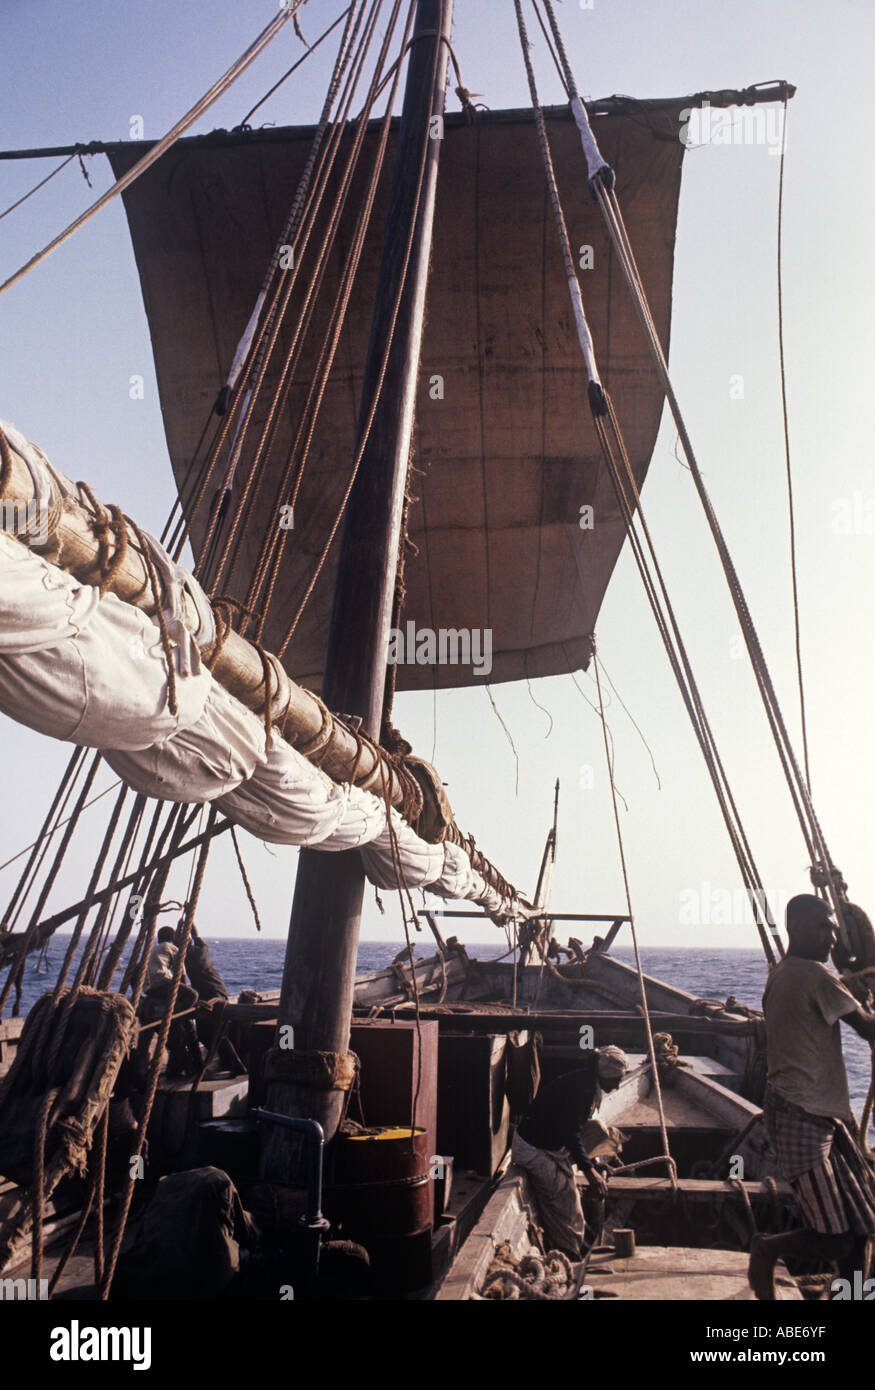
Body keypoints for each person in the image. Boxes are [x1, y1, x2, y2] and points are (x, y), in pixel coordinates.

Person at [748, 893, 875, 1300]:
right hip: (802, 1116)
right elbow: (868, 1030)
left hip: (823, 1115)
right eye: (824, 927)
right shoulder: (814, 975)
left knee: (861, 1230)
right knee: (837, 1240)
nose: (833, 937)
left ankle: (851, 1297)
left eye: (834, 928)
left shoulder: (782, 972)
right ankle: (767, 1249)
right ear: (796, 928)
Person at [511, 1045, 628, 1259]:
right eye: (617, 1079)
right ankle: (569, 1251)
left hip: (551, 1141)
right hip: (532, 1149)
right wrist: (589, 1171)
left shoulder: (586, 1083)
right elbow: (570, 1134)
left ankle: (577, 1241)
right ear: (605, 1074)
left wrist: (591, 1164)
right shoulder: (582, 1091)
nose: (618, 1085)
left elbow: (570, 1130)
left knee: (600, 1130)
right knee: (565, 1197)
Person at [141, 926, 201, 1077]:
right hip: (162, 982)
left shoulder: (155, 949)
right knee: (193, 995)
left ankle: (178, 1016)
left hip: (150, 988)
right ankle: (178, 1017)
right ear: (172, 938)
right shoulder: (172, 948)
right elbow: (182, 976)